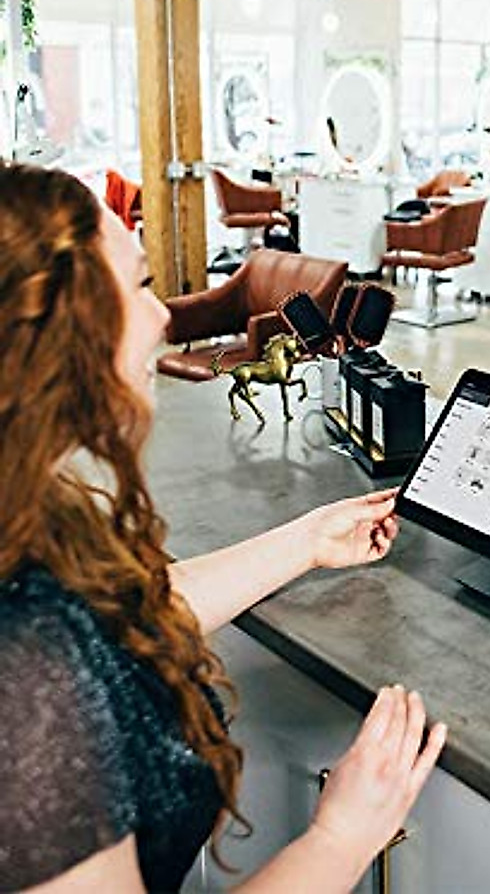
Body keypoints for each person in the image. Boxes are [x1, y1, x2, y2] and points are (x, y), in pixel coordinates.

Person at [0, 164, 446, 891]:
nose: (163, 318)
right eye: (141, 286)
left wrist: (305, 541)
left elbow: (119, 620)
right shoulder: (25, 673)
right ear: (54, 330)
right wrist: (341, 838)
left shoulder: (27, 510)